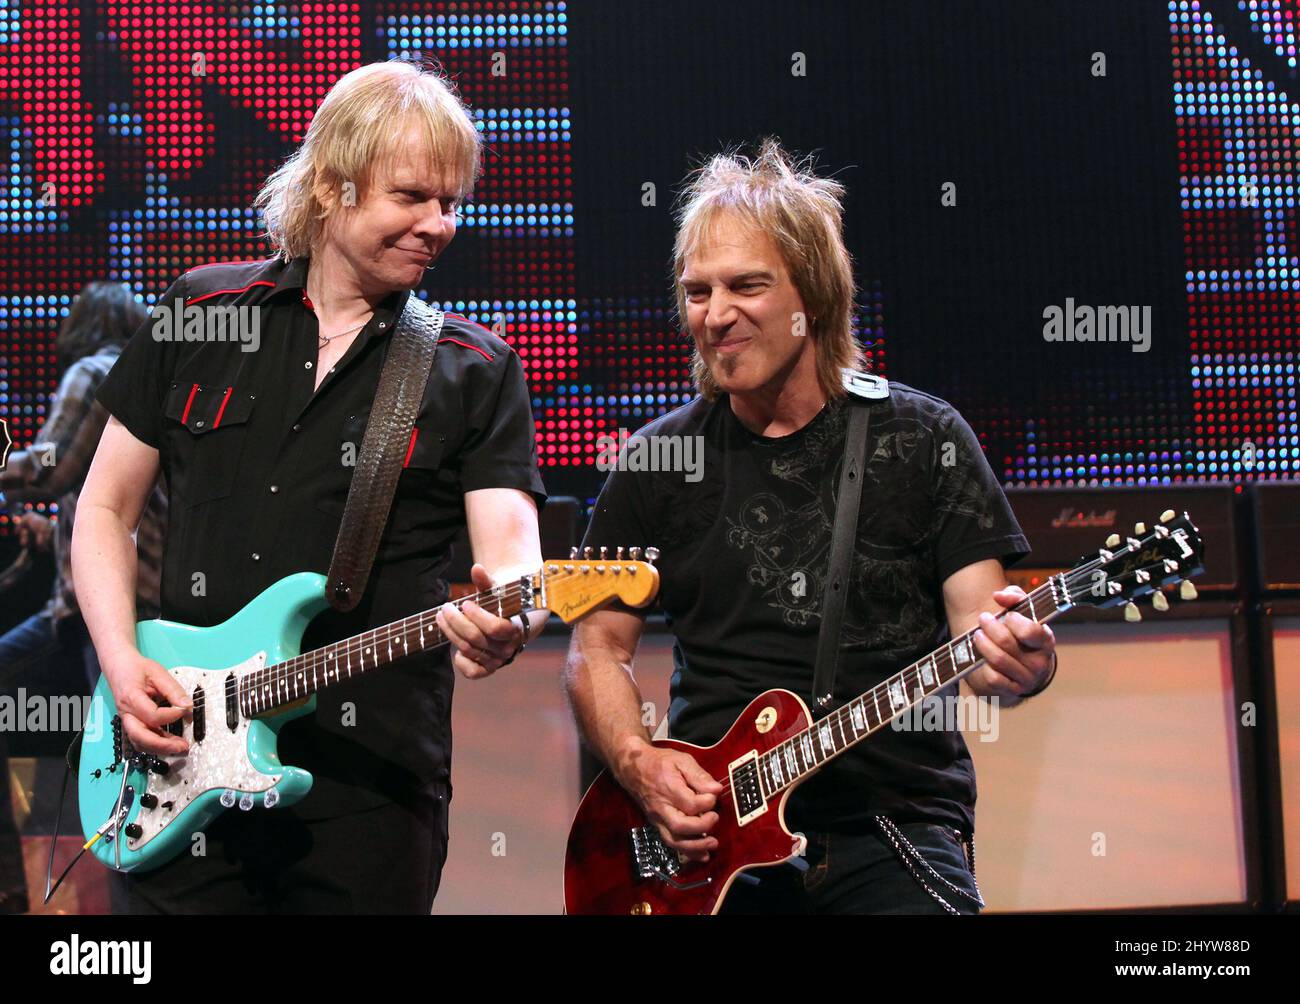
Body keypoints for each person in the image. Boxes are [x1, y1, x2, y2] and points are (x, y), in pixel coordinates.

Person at [71, 59, 548, 914]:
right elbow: (104, 507)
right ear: (334, 185)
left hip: (370, 796)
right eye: (412, 196)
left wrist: (511, 614)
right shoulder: (199, 310)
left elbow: (511, 553)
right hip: (177, 764)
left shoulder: (472, 369)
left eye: (452, 203)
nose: (439, 224)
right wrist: (121, 658)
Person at [564, 139, 1057, 915]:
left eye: (746, 286)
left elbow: (986, 645)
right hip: (705, 844)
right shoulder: (659, 459)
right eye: (698, 291)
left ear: (814, 299)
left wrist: (1019, 665)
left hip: (892, 826)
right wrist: (636, 761)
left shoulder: (924, 440)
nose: (715, 315)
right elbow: (596, 647)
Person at [0, 281, 167, 915]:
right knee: (133, 767)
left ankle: (113, 920)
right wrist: (45, 532)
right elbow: (94, 503)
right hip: (116, 604)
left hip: (113, 612)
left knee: (134, 778)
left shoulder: (97, 372)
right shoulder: (152, 380)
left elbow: (50, 468)